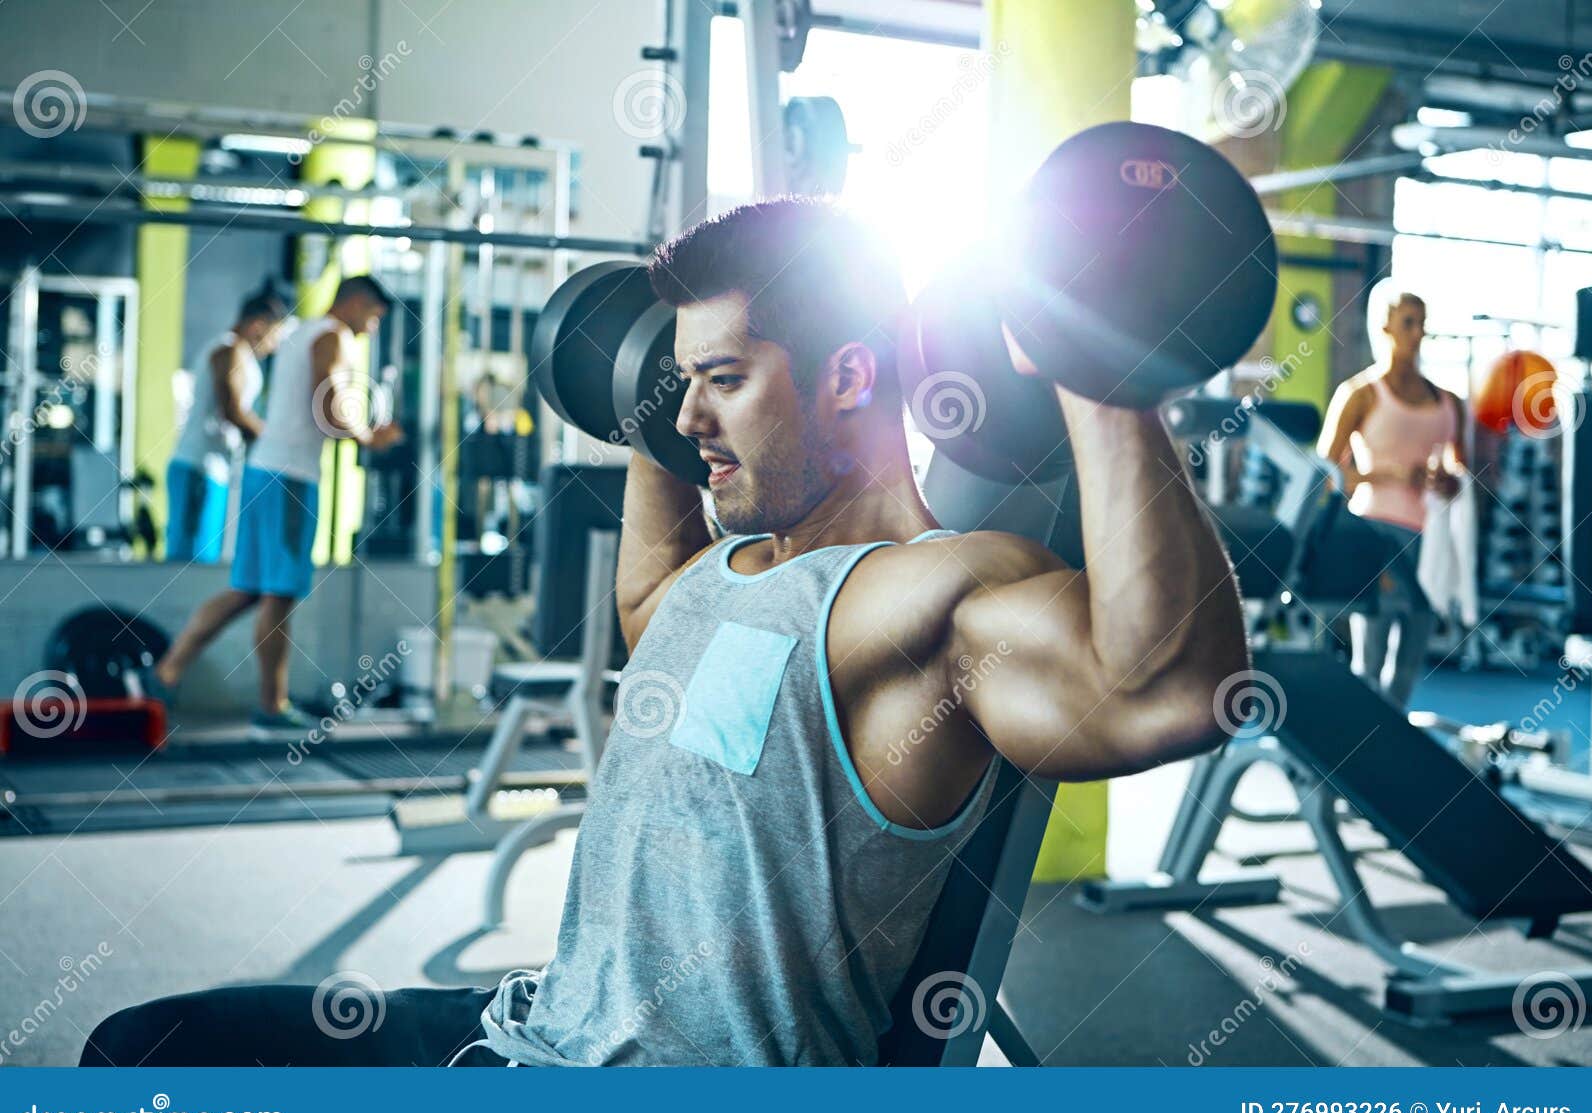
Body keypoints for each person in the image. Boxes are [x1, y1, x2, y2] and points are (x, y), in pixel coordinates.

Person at [84, 203, 1246, 1067]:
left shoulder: (930, 591)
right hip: (537, 1027)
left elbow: (1168, 688)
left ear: (849, 375)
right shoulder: (723, 572)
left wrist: (1102, 369)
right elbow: (652, 614)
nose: (689, 414)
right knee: (147, 1049)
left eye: (723, 378)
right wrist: (648, 393)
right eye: (679, 378)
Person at [150, 275, 404, 734]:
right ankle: (272, 705)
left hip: (262, 470)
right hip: (290, 477)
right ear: (356, 303)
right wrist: (369, 436)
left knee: (248, 588)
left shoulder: (298, 333)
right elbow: (327, 409)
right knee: (278, 593)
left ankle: (168, 672)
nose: (373, 327)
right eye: (374, 316)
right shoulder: (333, 336)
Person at [1317, 283, 1465, 708]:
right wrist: (1384, 474)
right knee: (1370, 659)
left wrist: (1447, 481)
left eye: (1422, 324)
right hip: (1375, 535)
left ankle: (1390, 735)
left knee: (1409, 663)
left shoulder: (1447, 402)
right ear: (1384, 327)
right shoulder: (1360, 394)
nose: (1418, 333)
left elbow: (1460, 473)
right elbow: (1324, 475)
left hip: (1429, 540)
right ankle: (1360, 738)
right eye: (1408, 323)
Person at [165, 290, 288, 563]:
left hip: (213, 470)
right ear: (258, 325)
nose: (274, 346)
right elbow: (233, 411)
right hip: (199, 467)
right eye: (274, 336)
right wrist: (273, 439)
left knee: (205, 558)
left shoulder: (239, 354)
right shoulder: (229, 351)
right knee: (190, 563)